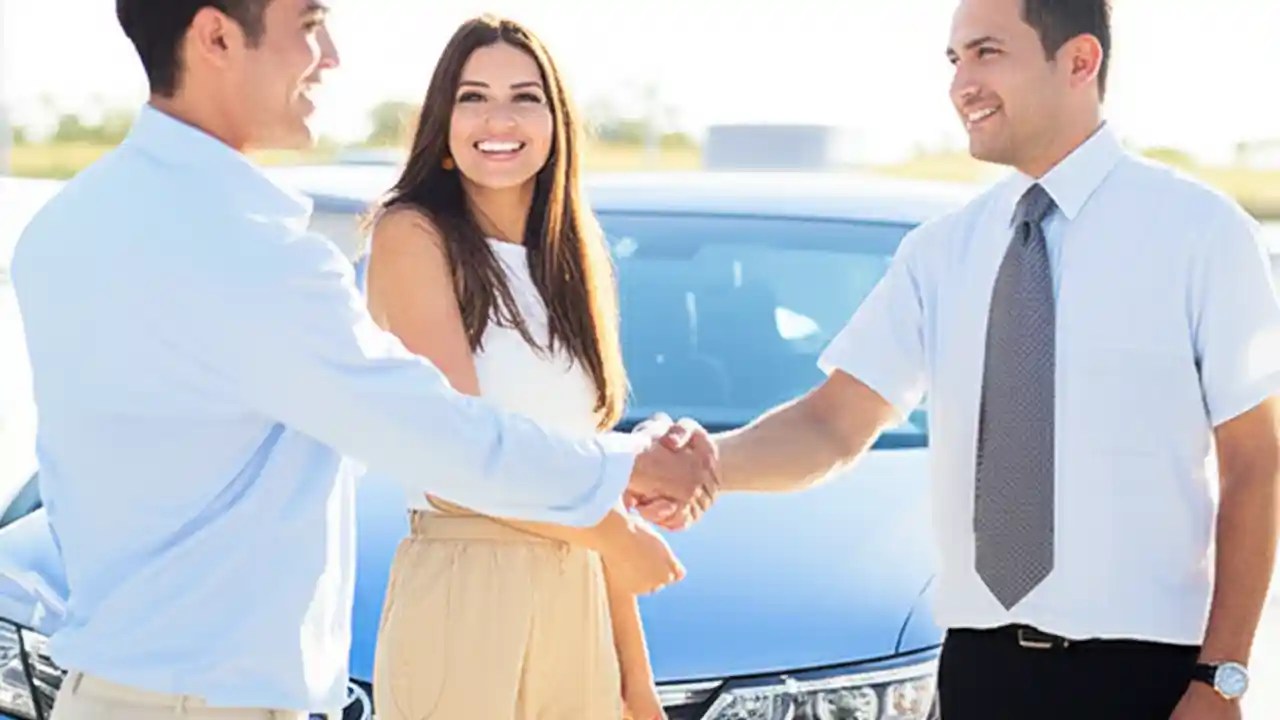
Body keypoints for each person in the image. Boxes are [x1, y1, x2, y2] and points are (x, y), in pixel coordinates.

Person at [9, 2, 713, 719]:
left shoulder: (70, 223)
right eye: (309, 25)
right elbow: (437, 432)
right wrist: (630, 472)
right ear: (216, 35)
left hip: (111, 693)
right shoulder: (249, 253)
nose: (331, 56)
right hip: (208, 703)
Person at [645, 0, 1280, 718]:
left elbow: (1256, 463)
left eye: (987, 53)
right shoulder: (942, 251)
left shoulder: (1202, 234)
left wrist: (1220, 676)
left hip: (1147, 677)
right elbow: (831, 427)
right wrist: (703, 464)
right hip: (978, 671)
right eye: (955, 60)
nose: (961, 85)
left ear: (1078, 61)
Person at [361, 15, 671, 720]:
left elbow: (591, 467)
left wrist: (637, 684)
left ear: (555, 120)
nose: (498, 118)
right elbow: (458, 450)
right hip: (466, 582)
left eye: (524, 97)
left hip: (580, 593)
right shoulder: (412, 233)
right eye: (473, 97)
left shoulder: (573, 257)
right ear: (444, 120)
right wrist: (616, 538)